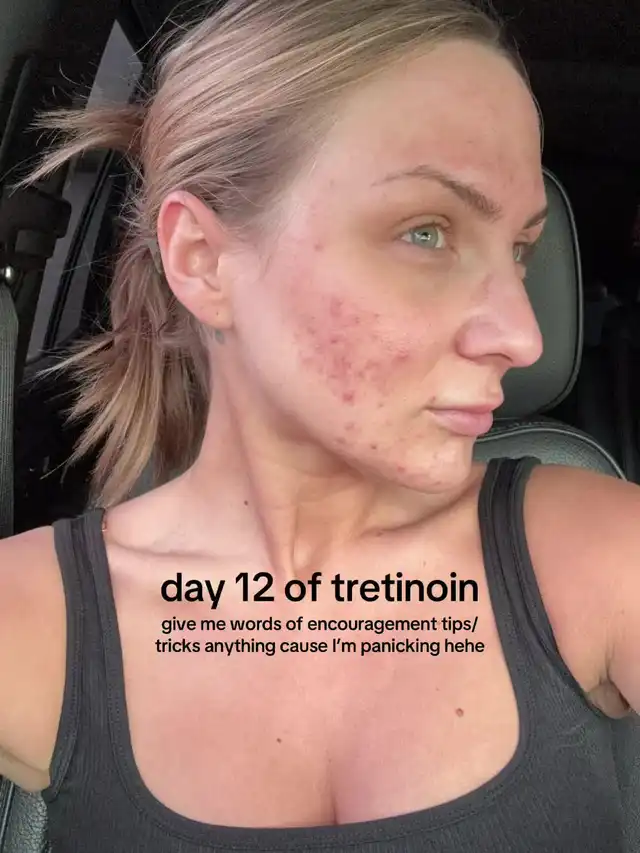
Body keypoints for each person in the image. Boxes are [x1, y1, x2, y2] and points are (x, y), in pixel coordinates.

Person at [0, 0, 638, 850]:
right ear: (202, 260)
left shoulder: (600, 552)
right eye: (427, 232)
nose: (523, 336)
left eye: (519, 251)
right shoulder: (30, 620)